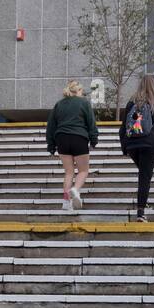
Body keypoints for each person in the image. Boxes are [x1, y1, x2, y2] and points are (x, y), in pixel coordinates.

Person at [119, 75, 154, 222]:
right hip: (149, 145)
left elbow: (123, 127)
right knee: (144, 177)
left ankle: (144, 202)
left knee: (144, 174)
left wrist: (124, 146)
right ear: (153, 85)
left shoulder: (132, 103)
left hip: (133, 145)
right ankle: (141, 212)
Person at [46, 80, 99, 211]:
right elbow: (91, 122)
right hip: (79, 137)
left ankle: (65, 202)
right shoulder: (84, 103)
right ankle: (75, 190)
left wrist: (51, 145)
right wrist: (94, 139)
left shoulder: (58, 104)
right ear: (78, 91)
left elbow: (51, 125)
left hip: (62, 139)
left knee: (69, 172)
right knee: (83, 170)